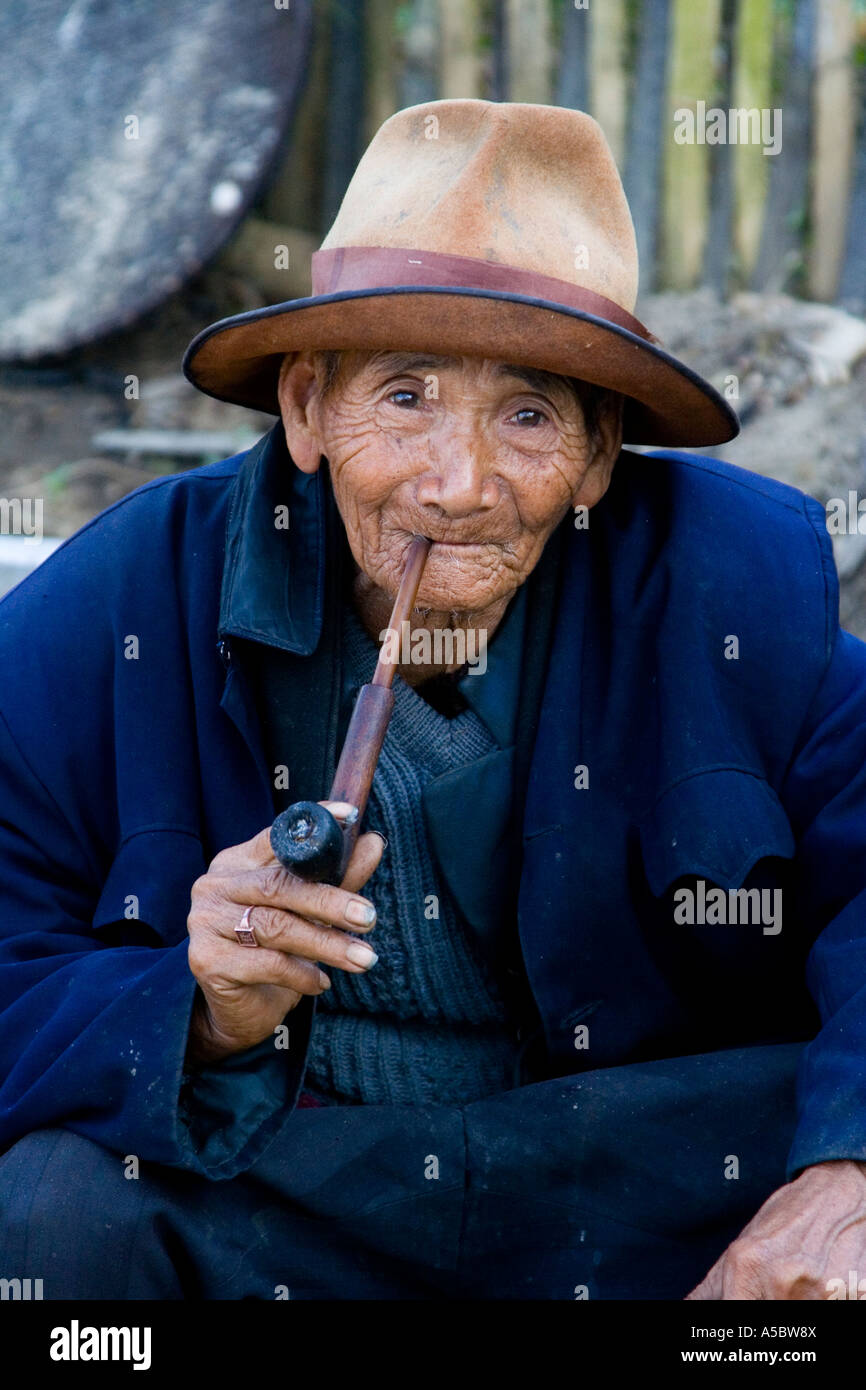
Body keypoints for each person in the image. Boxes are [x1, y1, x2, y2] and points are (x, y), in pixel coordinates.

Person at [1, 99, 865, 1302]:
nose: (458, 485)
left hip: (624, 1191)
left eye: (526, 415)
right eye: (403, 397)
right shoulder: (130, 596)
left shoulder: (730, 584)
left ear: (600, 454)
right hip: (289, 1182)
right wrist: (191, 1008)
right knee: (54, 1216)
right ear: (305, 407)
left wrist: (844, 1170)